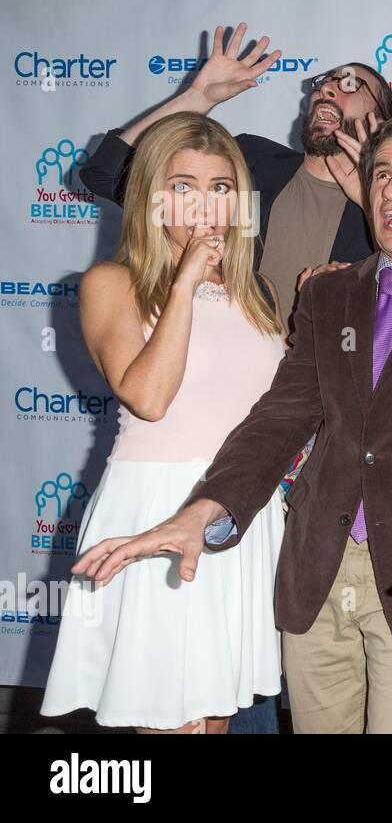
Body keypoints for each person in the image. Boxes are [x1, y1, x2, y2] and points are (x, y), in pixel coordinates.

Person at [70, 115, 392, 734]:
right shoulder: (326, 297)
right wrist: (207, 507)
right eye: (380, 176)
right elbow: (279, 419)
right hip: (314, 567)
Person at [40, 113, 286, 733]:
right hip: (158, 505)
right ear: (150, 198)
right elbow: (148, 397)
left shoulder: (257, 293)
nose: (204, 205)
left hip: (241, 513)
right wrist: (182, 288)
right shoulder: (111, 283)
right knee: (169, 720)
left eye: (220, 187)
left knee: (213, 717)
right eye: (183, 186)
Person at [79, 23, 392, 333]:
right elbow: (106, 174)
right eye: (324, 82)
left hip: (322, 380)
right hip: (229, 363)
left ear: (380, 121)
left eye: (348, 83)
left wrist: (371, 202)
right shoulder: (250, 161)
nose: (327, 87)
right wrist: (199, 97)